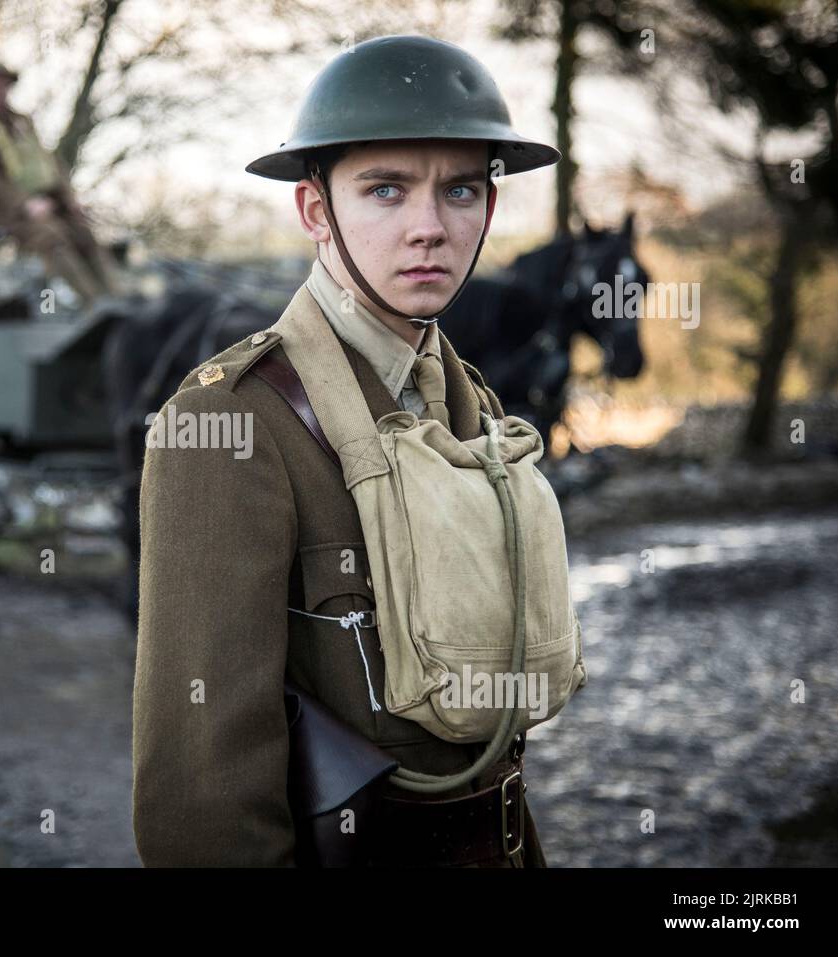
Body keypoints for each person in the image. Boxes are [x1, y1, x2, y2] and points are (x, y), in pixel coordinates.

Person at [132, 35, 563, 866]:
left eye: (461, 189)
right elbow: (202, 799)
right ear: (316, 211)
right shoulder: (231, 425)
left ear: (491, 208)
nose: (430, 228)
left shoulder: (477, 405)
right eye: (386, 190)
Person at [0, 53, 122, 304]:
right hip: (0, 209)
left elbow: (49, 163)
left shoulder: (21, 120)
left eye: (1, 85)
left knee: (83, 234)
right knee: (52, 238)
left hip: (46, 201)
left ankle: (117, 299)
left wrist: (70, 200)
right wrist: (24, 204)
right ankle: (94, 304)